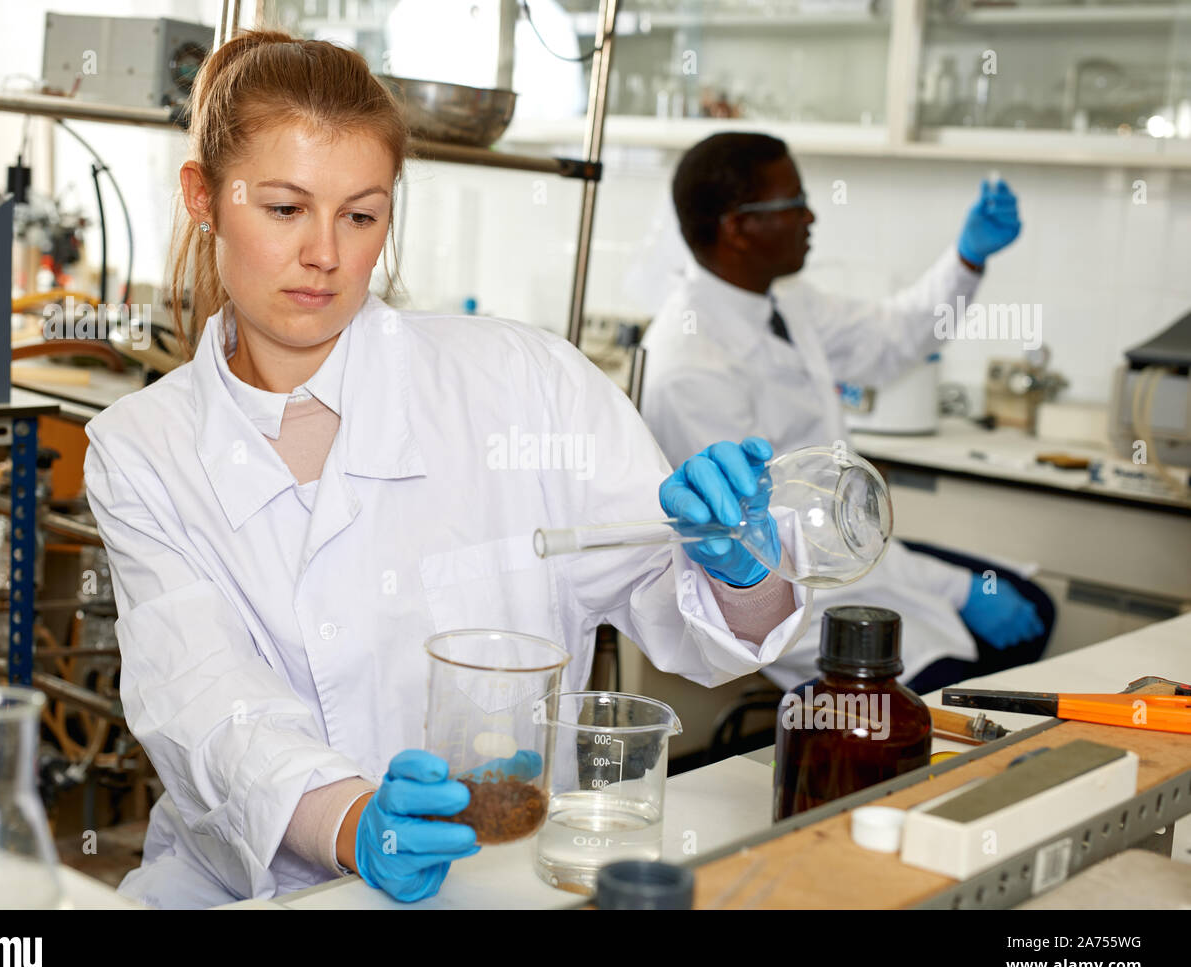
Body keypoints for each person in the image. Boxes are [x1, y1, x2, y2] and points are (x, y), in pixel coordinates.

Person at [83, 34, 811, 909]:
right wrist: (356, 825)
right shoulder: (143, 447)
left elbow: (693, 621)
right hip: (251, 891)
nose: (326, 254)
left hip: (504, 875)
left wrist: (742, 569)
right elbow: (205, 702)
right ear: (203, 195)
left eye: (361, 215)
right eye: (283, 209)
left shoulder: (524, 382)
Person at [639, 132, 1053, 694]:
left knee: (1033, 608)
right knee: (945, 682)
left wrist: (966, 259)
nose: (810, 216)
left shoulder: (785, 299)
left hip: (849, 546)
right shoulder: (689, 367)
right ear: (736, 228)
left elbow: (891, 339)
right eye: (792, 204)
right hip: (796, 589)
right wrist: (954, 588)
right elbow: (779, 537)